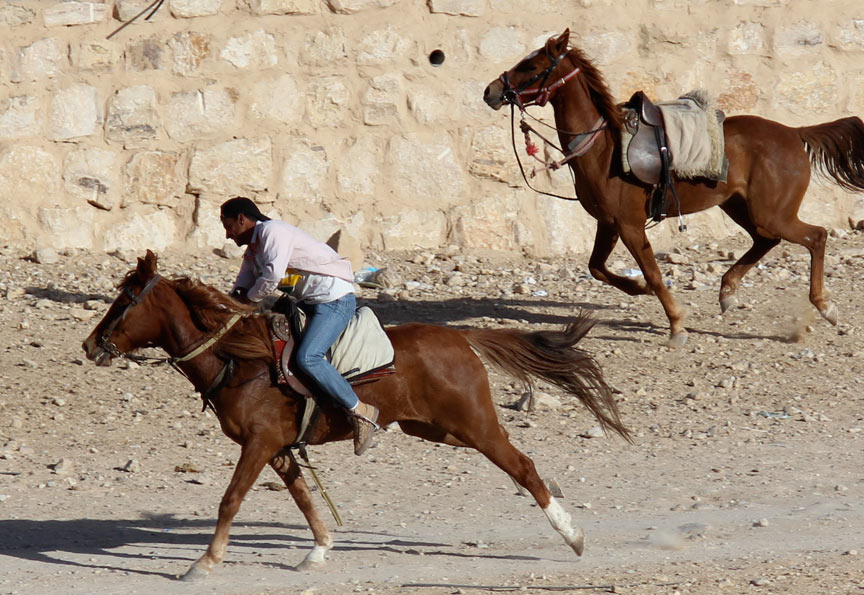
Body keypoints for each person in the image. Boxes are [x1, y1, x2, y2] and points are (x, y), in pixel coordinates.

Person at [219, 196, 379, 455]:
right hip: (307, 302)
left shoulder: (273, 232)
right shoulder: (253, 251)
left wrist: (245, 302)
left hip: (334, 301)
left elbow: (271, 276)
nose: (228, 235)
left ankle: (360, 410)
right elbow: (241, 289)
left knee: (308, 358)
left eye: (228, 226)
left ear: (242, 219)